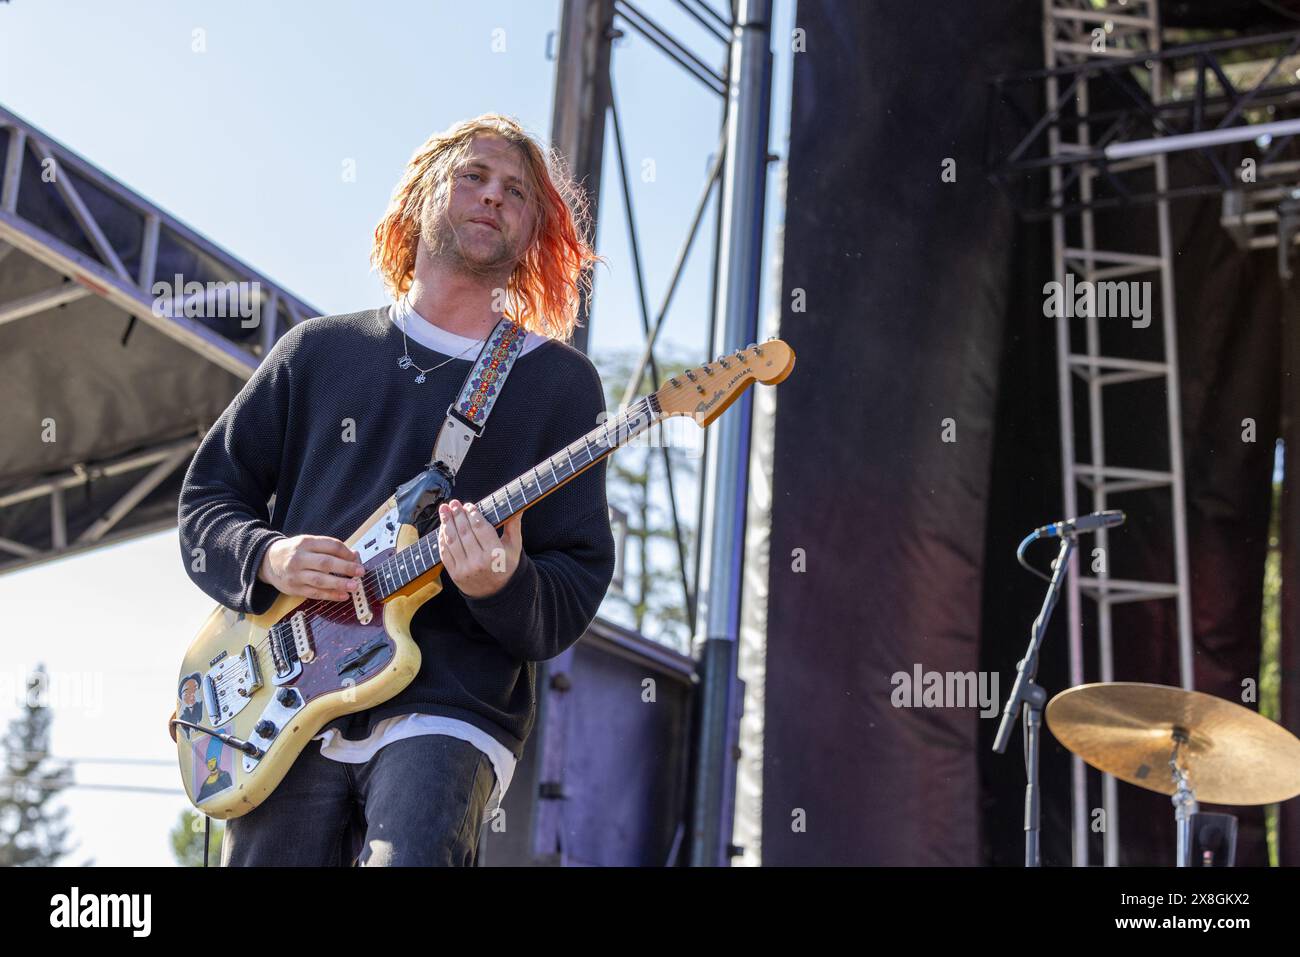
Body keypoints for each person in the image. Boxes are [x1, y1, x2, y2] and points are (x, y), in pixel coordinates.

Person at [177, 114, 616, 866]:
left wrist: (501, 583)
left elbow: (571, 588)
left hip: (450, 703)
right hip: (284, 706)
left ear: (532, 235)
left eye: (515, 191)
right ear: (420, 199)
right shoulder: (318, 351)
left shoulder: (559, 386)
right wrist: (271, 557)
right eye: (472, 176)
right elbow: (206, 504)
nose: (492, 197)